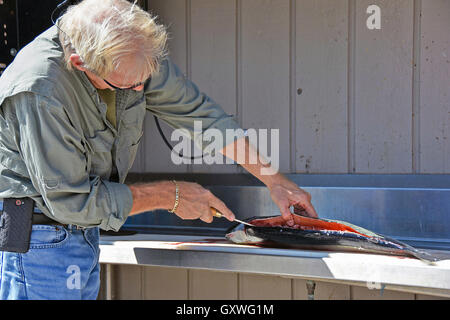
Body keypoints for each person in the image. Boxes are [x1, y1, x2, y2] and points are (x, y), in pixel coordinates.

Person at [0, 0, 317, 300]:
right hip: (39, 241)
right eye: (129, 85)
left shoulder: (131, 51)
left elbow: (200, 116)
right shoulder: (40, 91)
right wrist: (172, 196)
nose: (141, 89)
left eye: (145, 80)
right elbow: (73, 201)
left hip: (84, 231)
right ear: (80, 63)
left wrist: (275, 180)